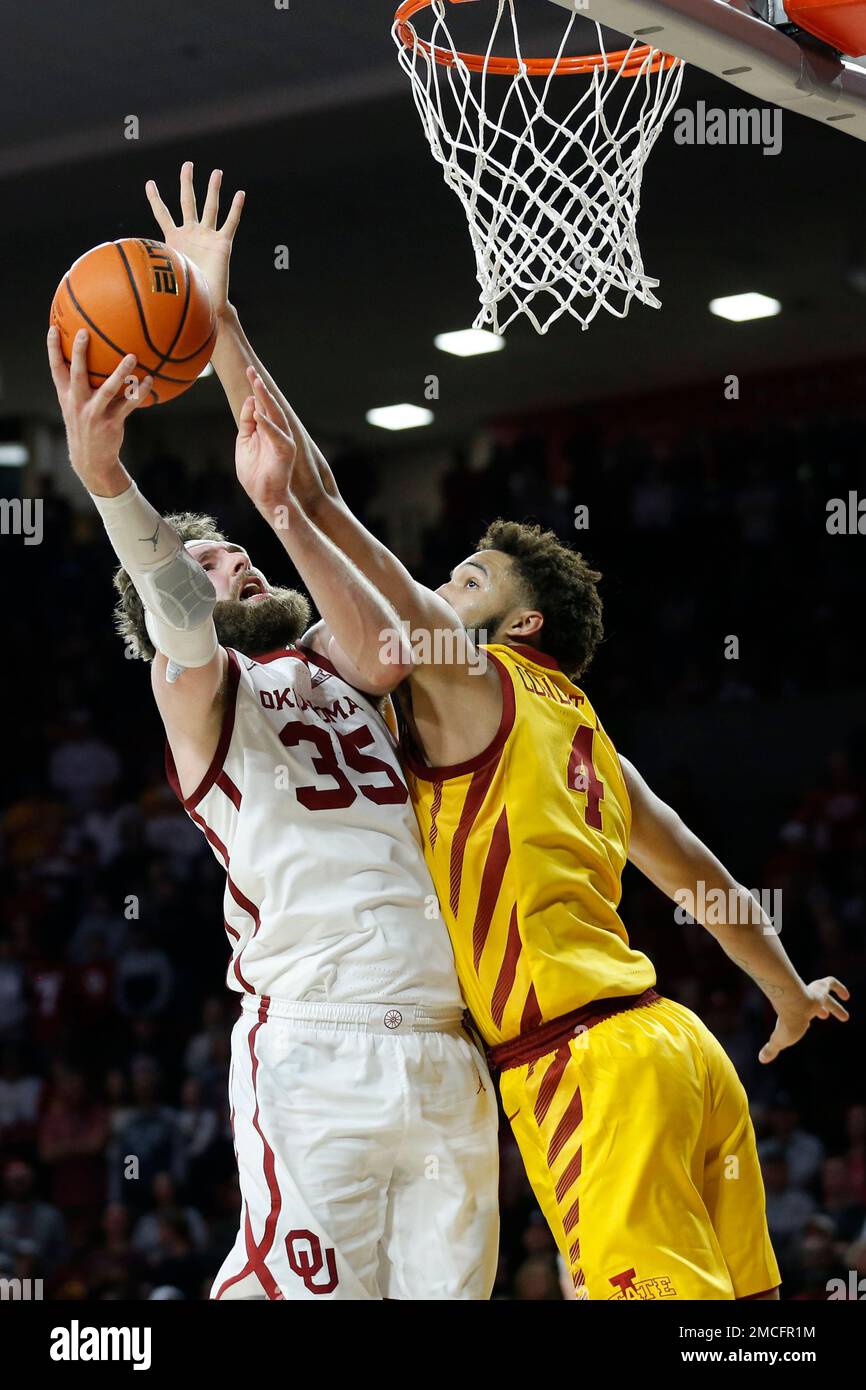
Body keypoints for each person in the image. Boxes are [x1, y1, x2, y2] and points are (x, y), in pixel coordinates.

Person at [168, 164, 852, 1301]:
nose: (443, 578)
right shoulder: (589, 736)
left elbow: (324, 498)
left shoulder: (466, 680)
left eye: (467, 575)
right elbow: (704, 879)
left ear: (516, 620)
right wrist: (783, 994)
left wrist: (225, 328)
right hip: (682, 1051)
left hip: (585, 1066)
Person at [46, 255, 498, 1299]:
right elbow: (178, 613)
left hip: (440, 1041)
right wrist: (109, 479)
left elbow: (381, 643)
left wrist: (223, 325)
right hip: (316, 1043)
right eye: (205, 562)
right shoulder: (196, 694)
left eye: (233, 553)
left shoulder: (334, 662)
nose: (235, 563)